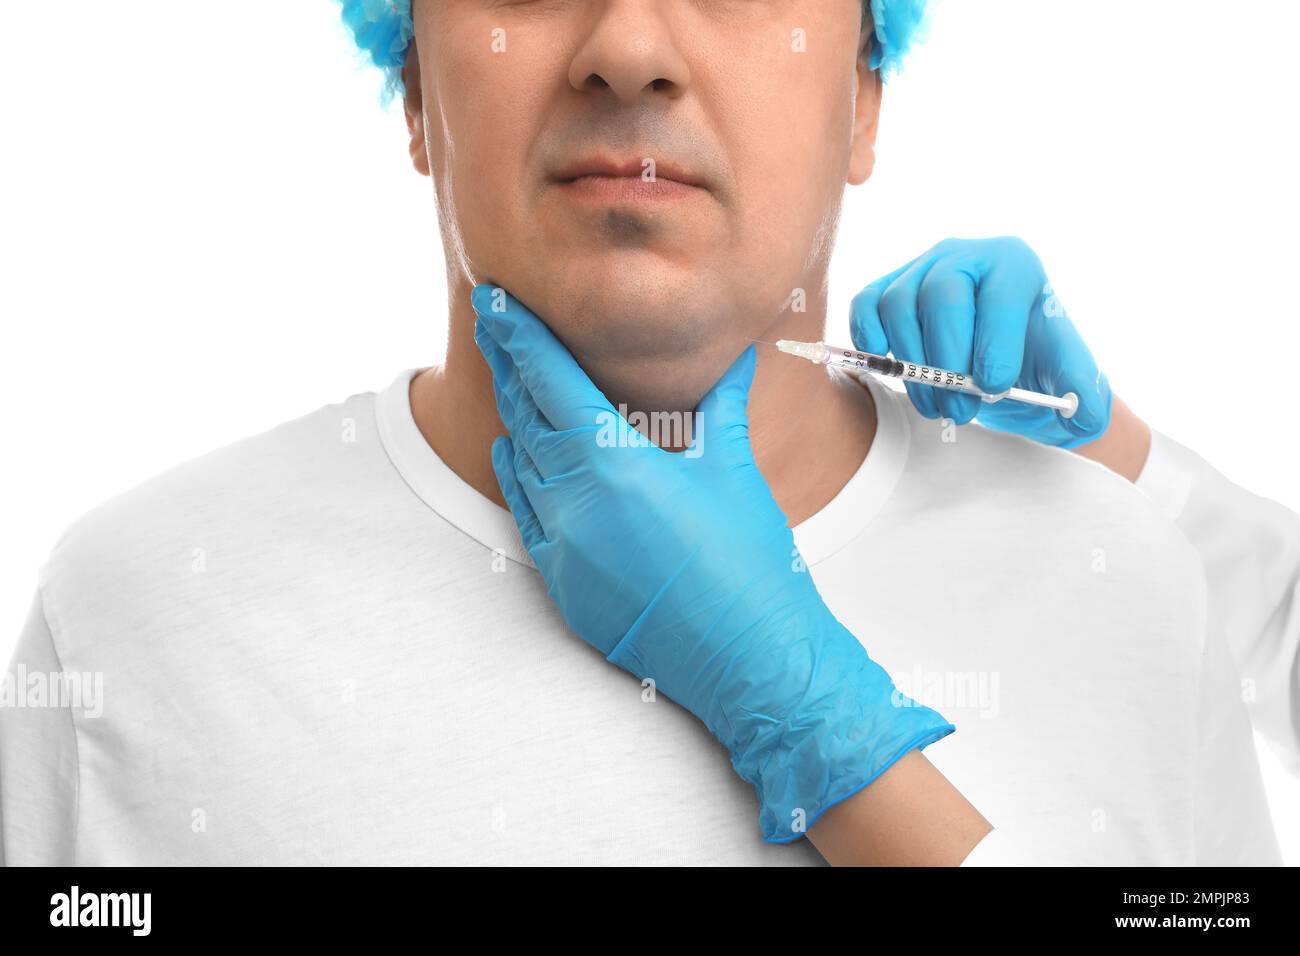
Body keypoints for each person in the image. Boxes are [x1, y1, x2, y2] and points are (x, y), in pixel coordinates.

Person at [1, 0, 1295, 866]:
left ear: (865, 96)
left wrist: (823, 721)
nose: (627, 45)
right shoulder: (137, 617)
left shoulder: (1123, 593)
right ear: (409, 85)